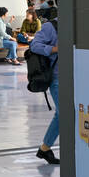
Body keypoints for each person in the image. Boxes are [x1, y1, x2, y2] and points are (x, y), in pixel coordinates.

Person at [29, 18, 60, 164]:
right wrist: (54, 49)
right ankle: (45, 148)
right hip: (57, 79)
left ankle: (45, 149)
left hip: (75, 78)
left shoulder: (78, 24)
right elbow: (34, 45)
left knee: (62, 114)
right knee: (64, 114)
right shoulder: (51, 27)